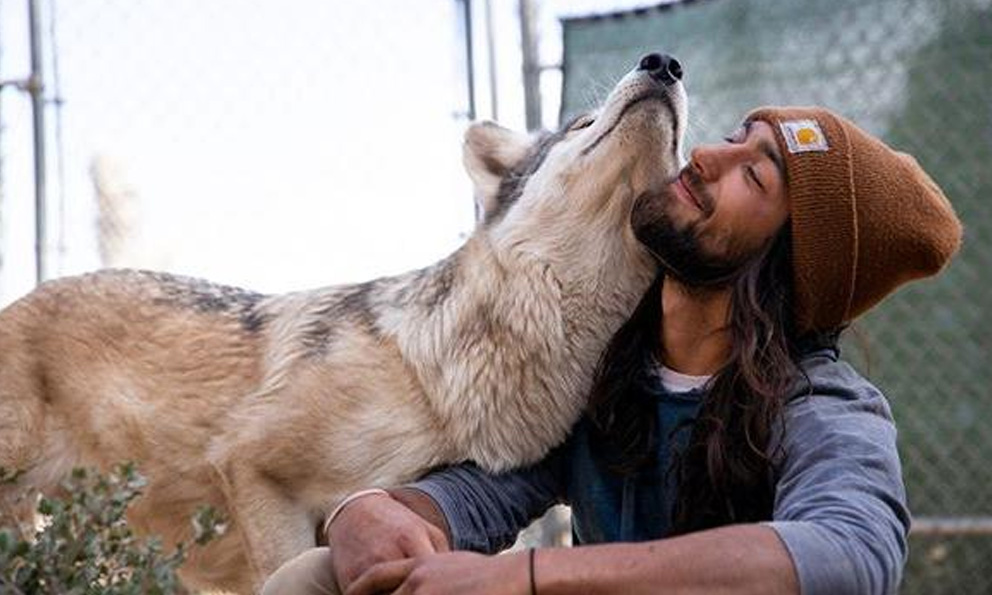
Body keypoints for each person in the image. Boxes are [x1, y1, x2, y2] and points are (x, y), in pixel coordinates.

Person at [261, 106, 962, 595]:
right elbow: (484, 491)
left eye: (755, 174)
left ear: (791, 264)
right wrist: (373, 511)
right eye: (732, 136)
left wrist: (526, 577)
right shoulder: (610, 365)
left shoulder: (826, 405)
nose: (709, 155)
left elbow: (852, 553)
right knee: (316, 579)